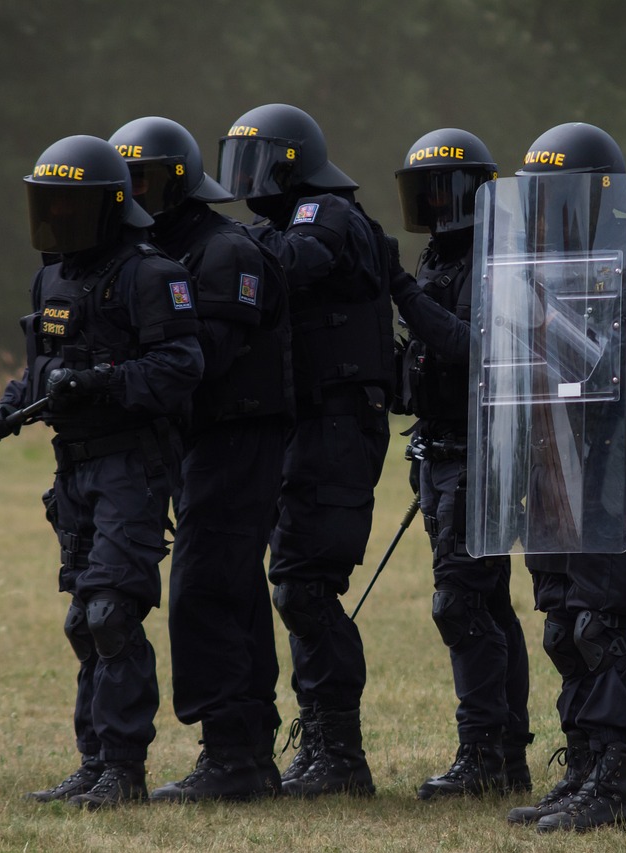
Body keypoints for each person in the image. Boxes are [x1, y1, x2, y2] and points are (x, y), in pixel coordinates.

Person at [0, 135, 204, 807]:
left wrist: (102, 381)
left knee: (112, 612)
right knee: (83, 619)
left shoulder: (151, 273)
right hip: (71, 472)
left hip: (131, 467)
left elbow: (182, 365)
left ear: (109, 207)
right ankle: (93, 759)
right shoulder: (51, 276)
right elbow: (40, 367)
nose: (56, 218)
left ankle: (124, 771)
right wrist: (8, 407)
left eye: (70, 206)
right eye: (49, 204)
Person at [490, 122, 626, 833]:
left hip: (603, 466)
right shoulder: (550, 264)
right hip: (551, 463)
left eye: (555, 199)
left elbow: (617, 374)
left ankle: (614, 784)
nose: (542, 216)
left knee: (602, 624)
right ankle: (580, 767)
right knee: (564, 626)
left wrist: (542, 318)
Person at [107, 116, 292, 802]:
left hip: (240, 437)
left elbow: (205, 360)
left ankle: (233, 755)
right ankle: (243, 751)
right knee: (230, 587)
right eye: (126, 181)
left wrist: (126, 374)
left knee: (206, 587)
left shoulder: (224, 252)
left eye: (146, 179)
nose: (135, 192)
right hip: (199, 442)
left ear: (180, 182)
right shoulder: (155, 252)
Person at [216, 103, 396, 797]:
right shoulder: (274, 225)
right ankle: (324, 745)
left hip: (339, 424)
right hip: (305, 424)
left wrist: (218, 254)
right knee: (293, 581)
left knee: (306, 583)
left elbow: (292, 265)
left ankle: (339, 755)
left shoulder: (326, 215)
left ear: (291, 161)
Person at [388, 128, 533, 799]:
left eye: (446, 189)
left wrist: (399, 291)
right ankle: (505, 753)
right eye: (425, 191)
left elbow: (468, 345)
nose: (435, 204)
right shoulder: (439, 261)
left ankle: (485, 757)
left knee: (463, 605)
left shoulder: (493, 261)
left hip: (480, 456)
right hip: (441, 450)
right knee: (487, 601)